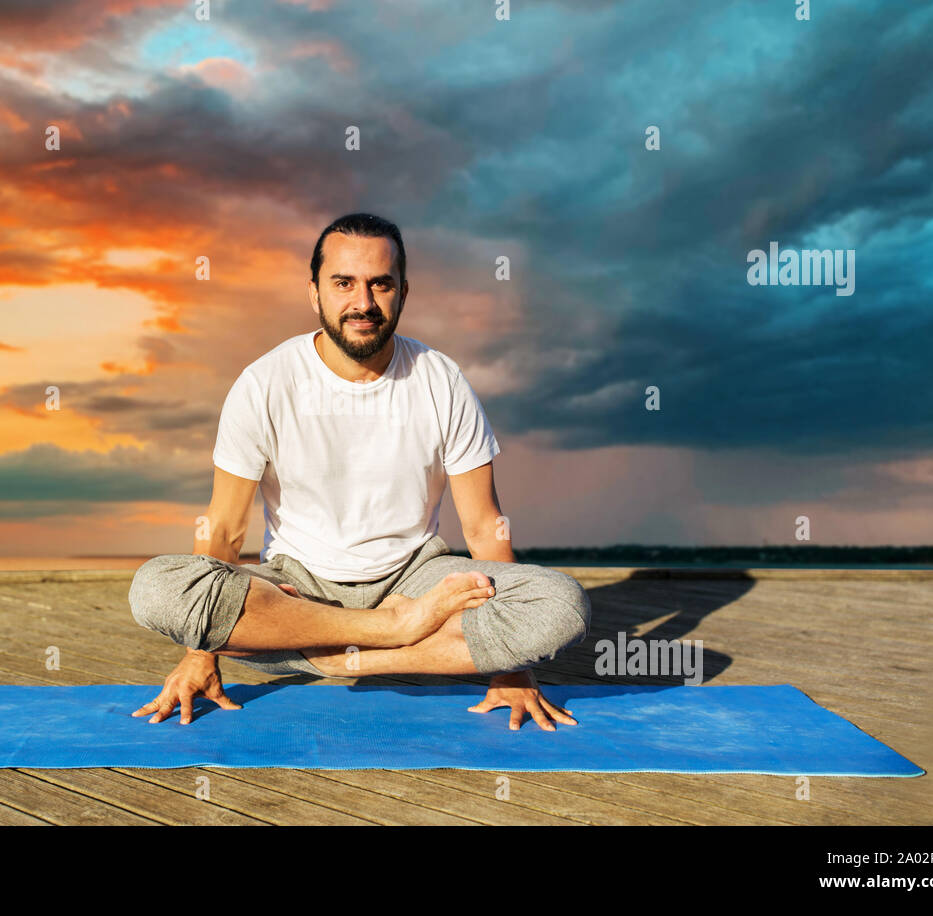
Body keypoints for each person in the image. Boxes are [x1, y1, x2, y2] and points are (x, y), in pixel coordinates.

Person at [128, 212, 591, 730]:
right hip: (296, 590)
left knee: (560, 605)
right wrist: (200, 655)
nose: (363, 303)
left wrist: (513, 670)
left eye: (380, 284)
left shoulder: (441, 379)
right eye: (343, 283)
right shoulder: (264, 382)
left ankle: (341, 657)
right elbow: (225, 528)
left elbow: (484, 525)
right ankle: (391, 632)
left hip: (415, 581)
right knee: (159, 588)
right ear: (314, 293)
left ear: (403, 292)